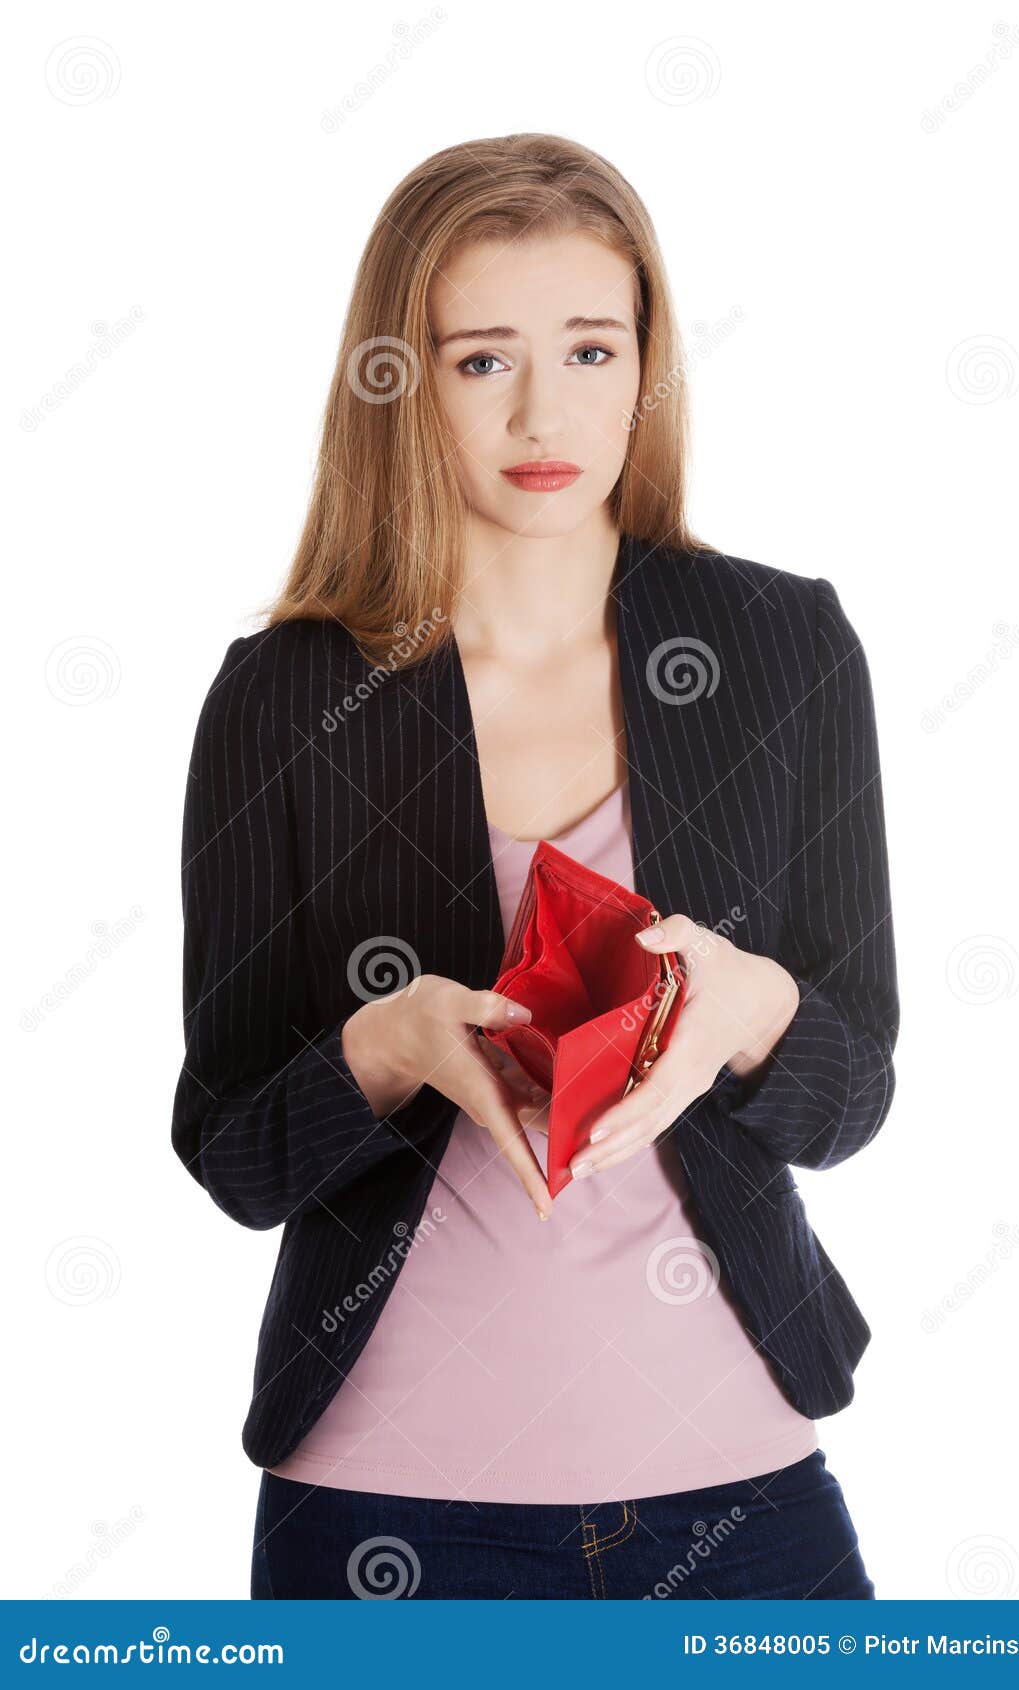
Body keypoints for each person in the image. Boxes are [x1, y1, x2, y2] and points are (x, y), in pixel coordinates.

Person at [172, 132, 899, 1600]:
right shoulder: (287, 696)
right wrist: (391, 1048)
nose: (542, 412)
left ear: (647, 366)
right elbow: (234, 1152)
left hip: (739, 1495)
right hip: (384, 1516)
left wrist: (748, 1008)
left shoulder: (784, 650)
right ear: (403, 382)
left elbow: (855, 1095)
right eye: (482, 360)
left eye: (589, 349)